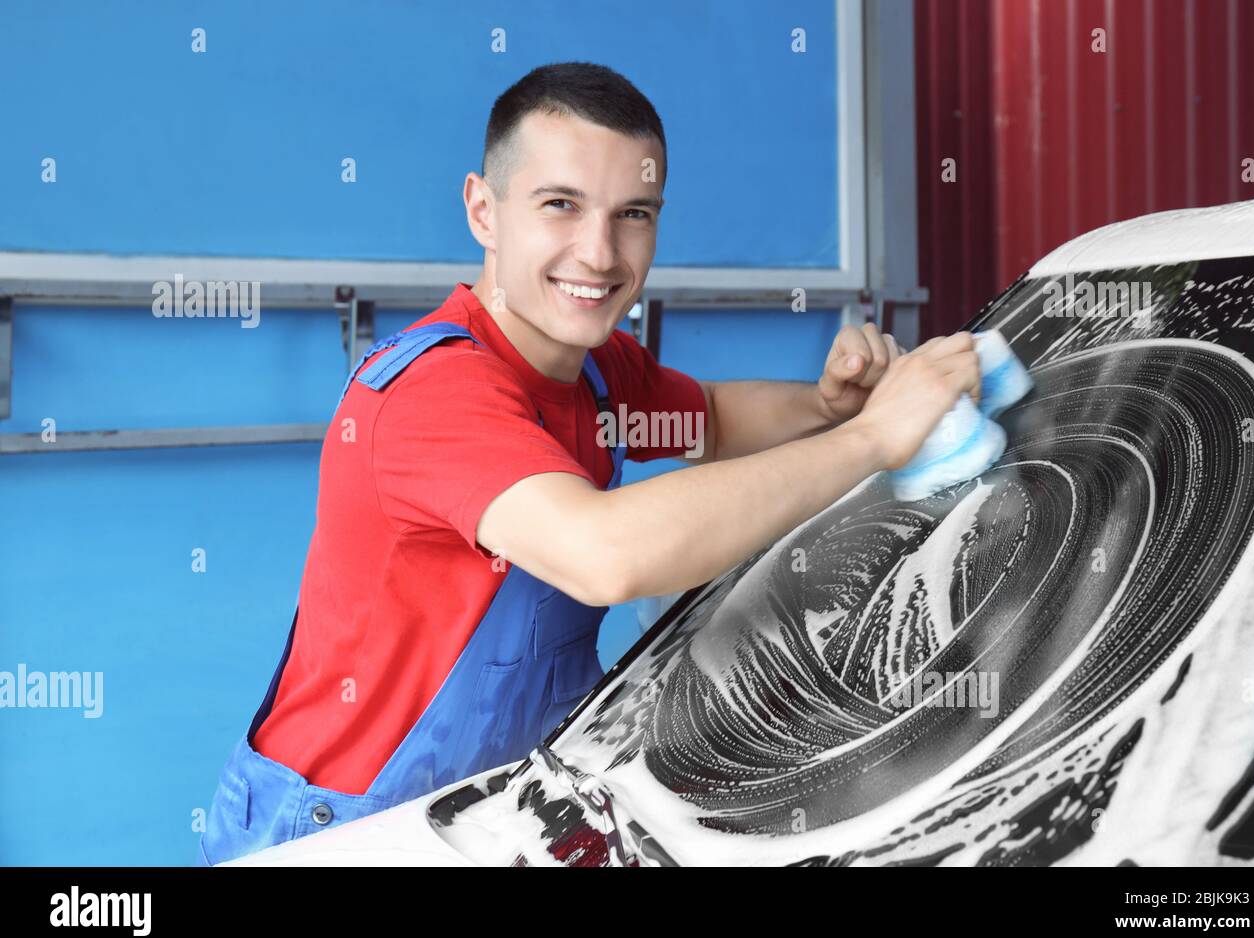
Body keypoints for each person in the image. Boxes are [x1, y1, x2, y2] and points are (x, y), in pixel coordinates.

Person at [196, 61, 979, 865]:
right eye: (560, 205)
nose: (600, 254)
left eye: (632, 214)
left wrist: (826, 407)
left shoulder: (598, 370)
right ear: (483, 210)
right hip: (341, 833)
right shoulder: (435, 392)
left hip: (493, 813)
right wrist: (874, 441)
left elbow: (707, 418)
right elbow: (605, 555)